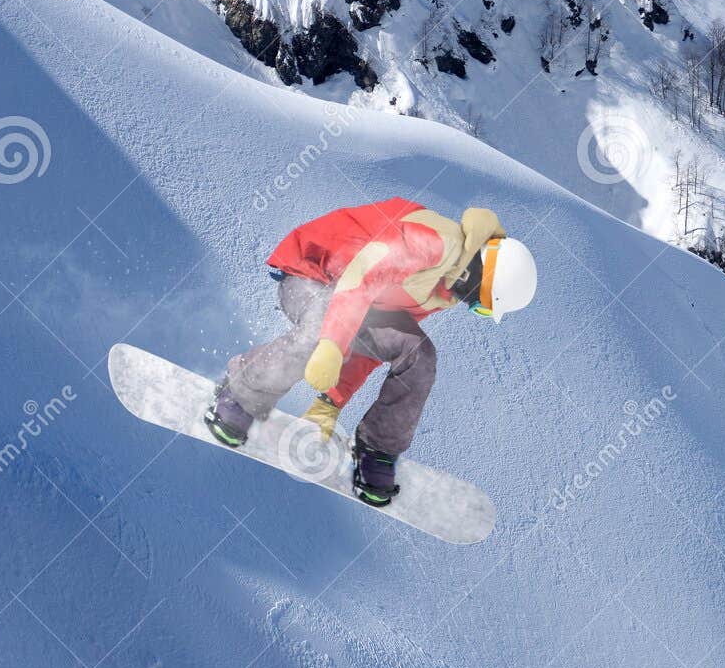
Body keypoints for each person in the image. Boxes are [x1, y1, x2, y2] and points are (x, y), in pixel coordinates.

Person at [205, 198, 538, 506]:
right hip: (315, 273)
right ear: (478, 275)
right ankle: (241, 391)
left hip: (357, 302)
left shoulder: (442, 291)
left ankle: (377, 450)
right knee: (320, 331)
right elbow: (359, 282)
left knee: (418, 354)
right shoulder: (432, 243)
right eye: (480, 305)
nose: (471, 308)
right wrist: (333, 345)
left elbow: (370, 343)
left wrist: (329, 404)